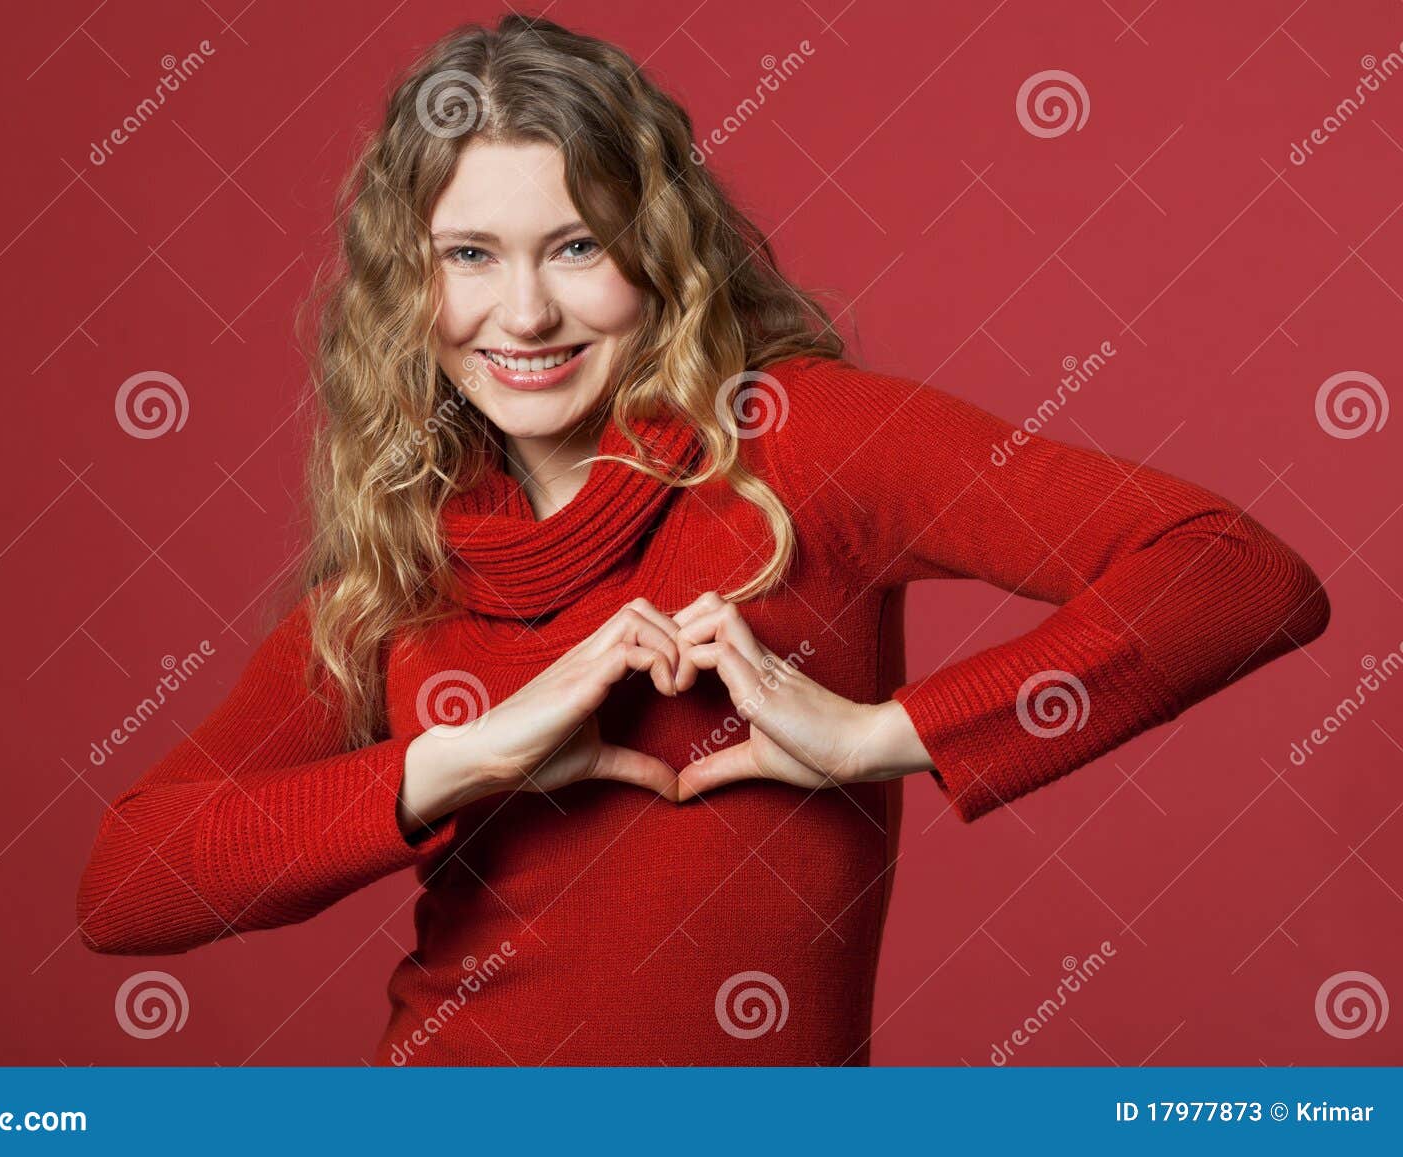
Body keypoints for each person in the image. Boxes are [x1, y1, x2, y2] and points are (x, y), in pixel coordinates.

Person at [73, 12, 1331, 1065]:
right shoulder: (409, 558)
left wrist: (880, 737)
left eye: (577, 247)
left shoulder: (797, 441)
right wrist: (469, 756)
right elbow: (127, 884)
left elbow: (1231, 571)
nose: (523, 311)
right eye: (469, 254)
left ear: (657, 250)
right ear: (409, 288)